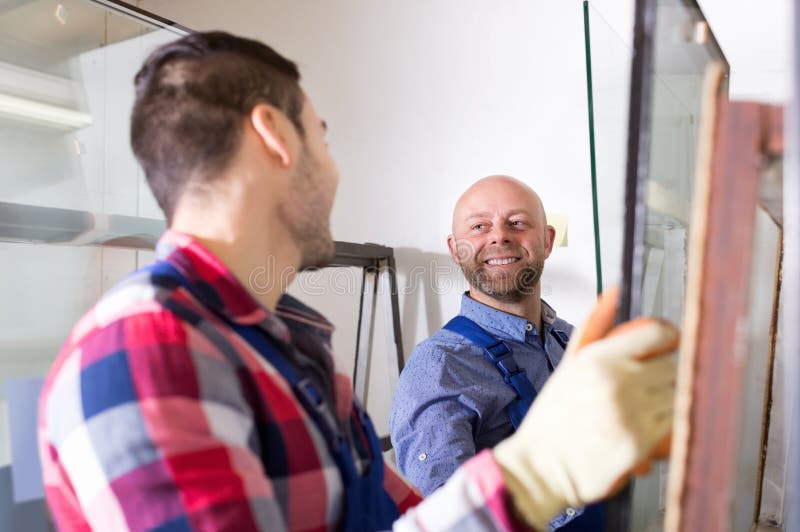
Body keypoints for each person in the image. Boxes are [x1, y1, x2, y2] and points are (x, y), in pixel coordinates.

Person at [38, 31, 678, 532]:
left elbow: (414, 518)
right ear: (275, 135)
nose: (336, 170)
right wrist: (538, 475)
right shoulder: (146, 353)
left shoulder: (291, 344)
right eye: (323, 137)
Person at [389, 176, 595, 529]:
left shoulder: (572, 343)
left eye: (517, 222)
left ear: (546, 241)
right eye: (480, 226)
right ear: (456, 251)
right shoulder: (439, 368)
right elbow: (451, 524)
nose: (499, 236)